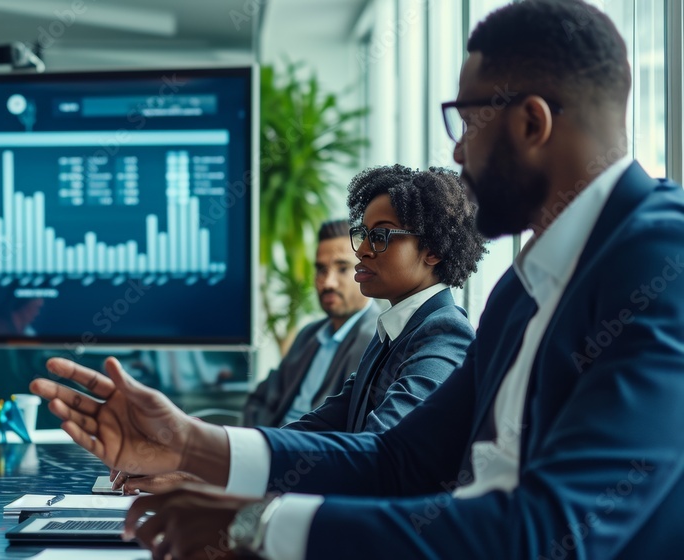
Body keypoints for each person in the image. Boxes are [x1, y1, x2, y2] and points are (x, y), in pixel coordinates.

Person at [30, 1, 684, 558]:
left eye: (467, 120)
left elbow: (551, 533)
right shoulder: (523, 290)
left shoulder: (661, 262)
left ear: (531, 122)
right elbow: (400, 459)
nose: (457, 152)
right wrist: (190, 441)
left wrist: (261, 524)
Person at [113, 166, 486, 494]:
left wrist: (207, 466)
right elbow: (319, 426)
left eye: (382, 236)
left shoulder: (444, 333)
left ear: (433, 250)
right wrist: (201, 454)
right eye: (364, 234)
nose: (363, 251)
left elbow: (379, 451)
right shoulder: (394, 330)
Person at [243, 219, 378, 428]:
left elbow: (347, 429)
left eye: (342, 269)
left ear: (365, 271)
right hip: (271, 443)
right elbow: (262, 398)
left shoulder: (377, 340)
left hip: (308, 453)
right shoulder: (308, 334)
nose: (328, 283)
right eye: (321, 270)